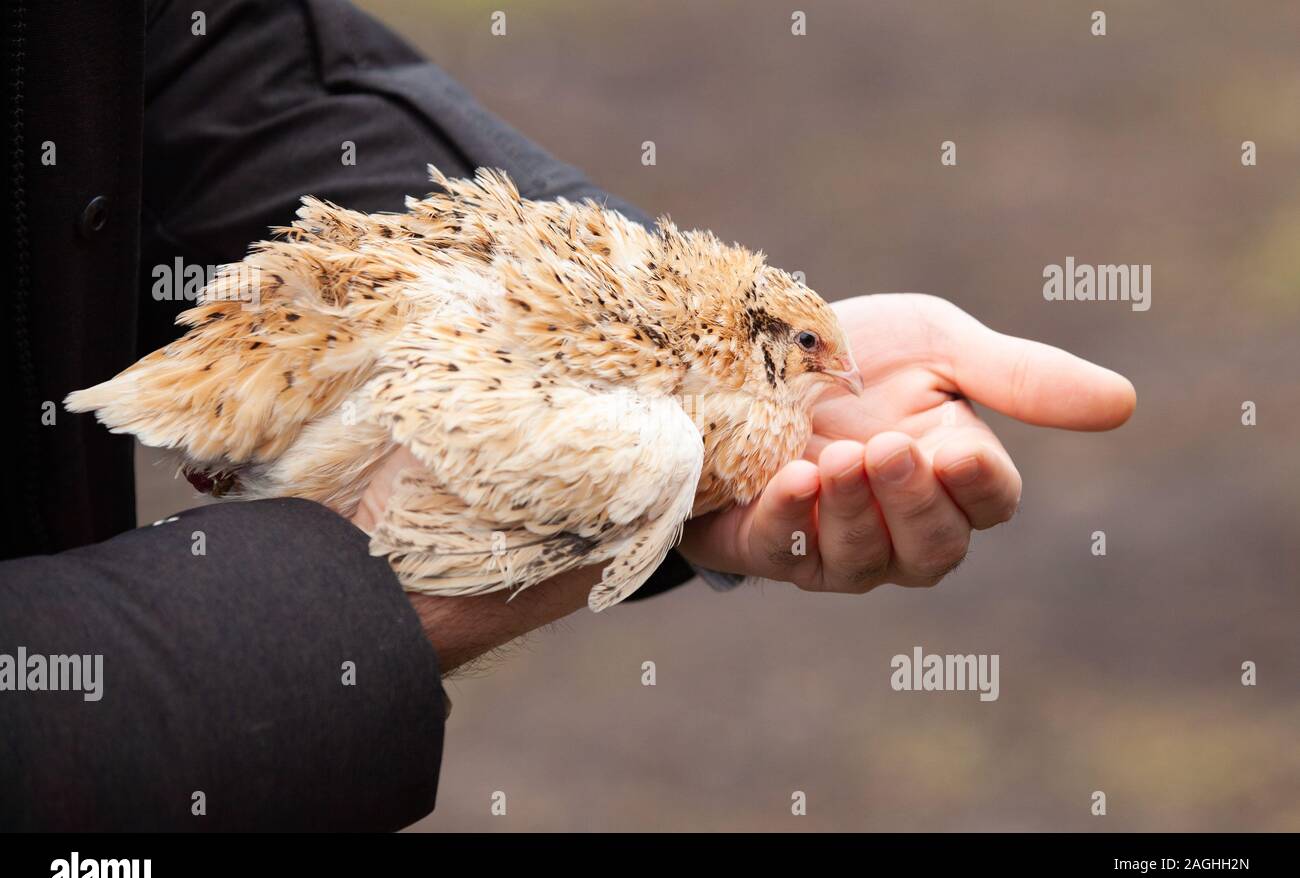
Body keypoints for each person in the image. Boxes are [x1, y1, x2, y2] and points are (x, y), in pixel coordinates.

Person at [0, 0, 1134, 831]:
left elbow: (209, 52)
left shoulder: (699, 391)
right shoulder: (652, 444)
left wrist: (613, 277)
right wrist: (326, 610)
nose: (827, 379)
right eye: (805, 356)